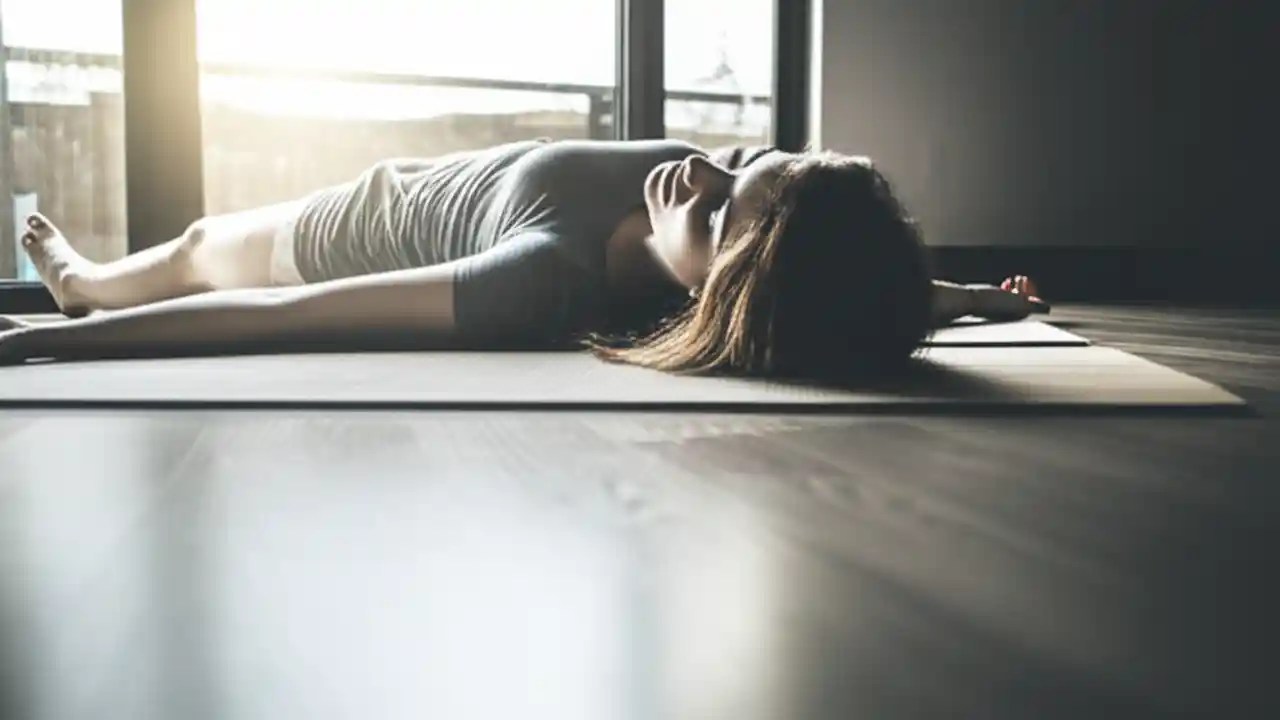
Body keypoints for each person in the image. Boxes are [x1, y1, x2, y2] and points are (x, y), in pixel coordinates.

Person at [0, 139, 1042, 376]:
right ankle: (83, 287)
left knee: (191, 248)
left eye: (717, 211)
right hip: (416, 176)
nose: (701, 175)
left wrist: (47, 343)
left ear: (719, 287)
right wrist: (971, 301)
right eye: (743, 160)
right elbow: (871, 288)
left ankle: (81, 286)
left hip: (349, 234)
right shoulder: (799, 247)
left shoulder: (541, 277)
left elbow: (282, 323)